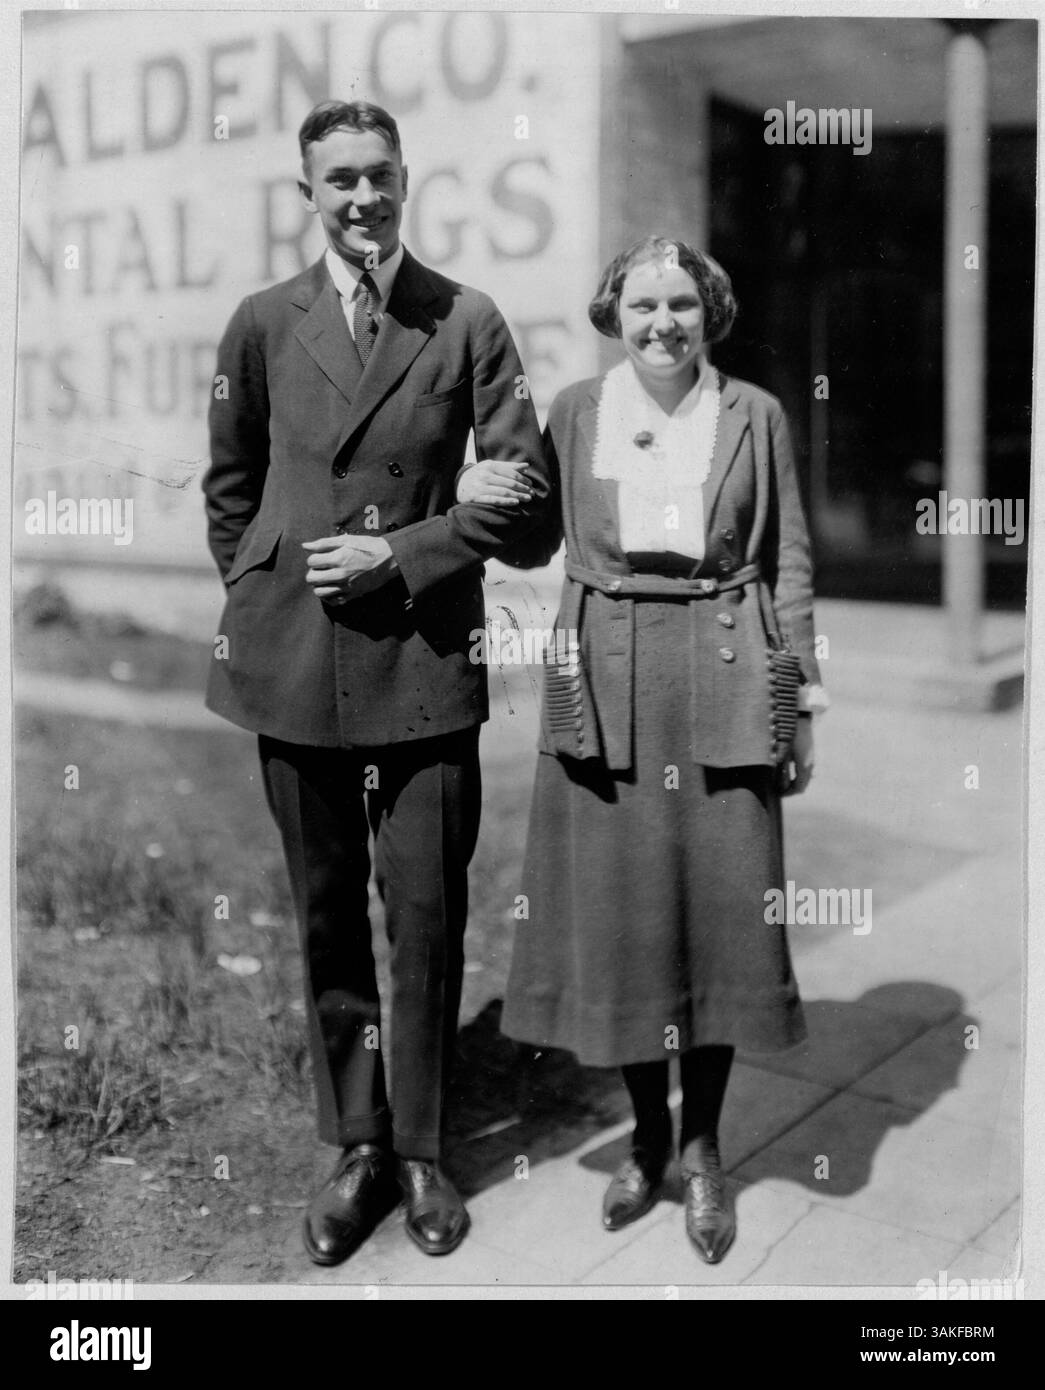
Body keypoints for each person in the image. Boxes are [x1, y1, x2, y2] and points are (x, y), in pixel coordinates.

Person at [202, 99, 548, 1265]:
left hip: (422, 662)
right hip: (291, 664)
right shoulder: (260, 323)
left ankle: (424, 1150)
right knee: (323, 915)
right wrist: (265, 599)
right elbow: (229, 486)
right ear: (307, 194)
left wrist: (404, 554)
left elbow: (529, 506)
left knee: (427, 915)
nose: (361, 198)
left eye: (379, 176)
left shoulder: (465, 321)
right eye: (337, 180)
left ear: (408, 179)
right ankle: (357, 1147)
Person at [457, 236, 827, 1263]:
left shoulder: (755, 413)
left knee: (715, 917)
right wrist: (486, 490)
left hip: (727, 665)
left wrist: (799, 699)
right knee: (621, 920)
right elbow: (532, 539)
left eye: (680, 304)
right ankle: (647, 1136)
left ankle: (703, 1145)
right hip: (603, 674)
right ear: (612, 316)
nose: (660, 323)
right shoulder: (576, 412)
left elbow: (787, 557)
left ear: (709, 312)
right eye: (641, 306)